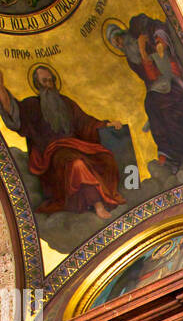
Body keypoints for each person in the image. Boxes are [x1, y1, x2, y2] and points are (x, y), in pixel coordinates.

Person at [0, 64, 124, 218]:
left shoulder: (65, 103)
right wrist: (1, 89)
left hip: (76, 147)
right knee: (77, 165)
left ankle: (111, 194)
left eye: (50, 80)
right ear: (37, 85)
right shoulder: (32, 105)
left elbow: (85, 122)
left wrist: (106, 125)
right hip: (52, 155)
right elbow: (13, 112)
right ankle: (97, 204)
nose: (49, 85)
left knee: (106, 157)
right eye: (44, 81)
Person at [106, 16, 183, 170]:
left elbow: (155, 26)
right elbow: (150, 76)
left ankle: (181, 148)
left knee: (158, 103)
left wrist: (160, 42)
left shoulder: (136, 27)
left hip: (173, 76)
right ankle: (169, 152)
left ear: (122, 33)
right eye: (117, 45)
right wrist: (143, 52)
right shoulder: (132, 60)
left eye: (118, 39)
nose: (120, 44)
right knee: (152, 105)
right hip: (160, 85)